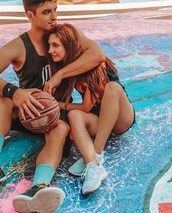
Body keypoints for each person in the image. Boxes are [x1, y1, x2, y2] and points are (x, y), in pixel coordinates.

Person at [0, 0, 105, 213]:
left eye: (55, 10)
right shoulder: (19, 46)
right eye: (46, 12)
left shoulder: (65, 37)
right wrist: (15, 92)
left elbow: (97, 54)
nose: (53, 17)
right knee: (4, 98)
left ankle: (39, 187)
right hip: (28, 113)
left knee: (61, 129)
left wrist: (60, 74)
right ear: (30, 15)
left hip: (55, 115)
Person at [46, 24, 135, 195]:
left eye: (56, 45)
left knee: (112, 88)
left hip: (121, 119)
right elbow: (83, 110)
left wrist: (60, 104)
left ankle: (97, 152)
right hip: (100, 122)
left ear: (69, 45)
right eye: (49, 45)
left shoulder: (93, 63)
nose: (51, 50)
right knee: (74, 114)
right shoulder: (69, 67)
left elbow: (86, 106)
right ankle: (93, 165)